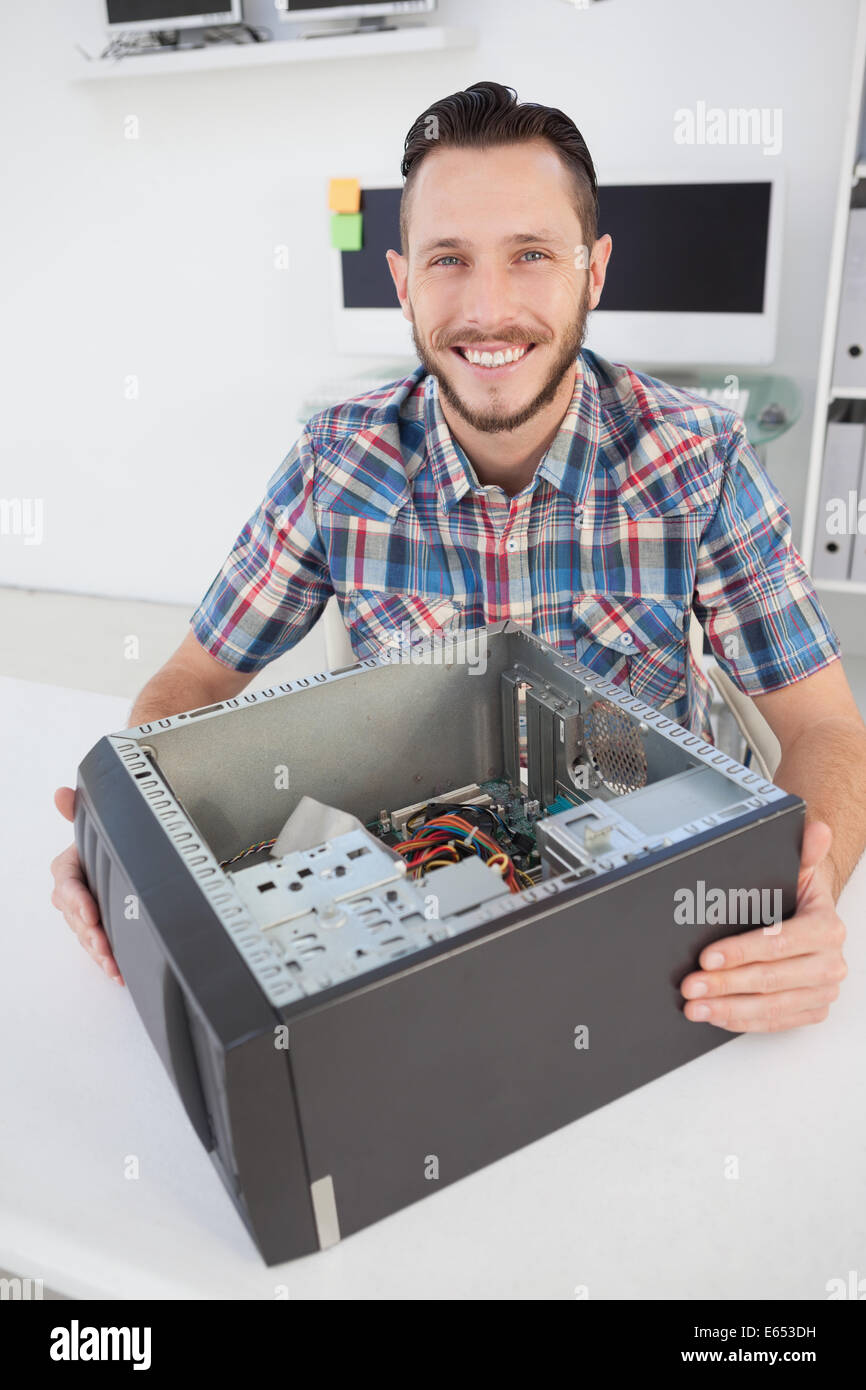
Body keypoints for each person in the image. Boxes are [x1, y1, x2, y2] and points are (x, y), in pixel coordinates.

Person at [51, 81, 865, 1032]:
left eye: (531, 254)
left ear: (593, 272)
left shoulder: (702, 459)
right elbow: (192, 681)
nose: (489, 308)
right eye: (449, 259)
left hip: (662, 927)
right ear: (403, 282)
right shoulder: (335, 462)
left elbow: (825, 730)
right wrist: (118, 838)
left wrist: (799, 897)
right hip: (424, 928)